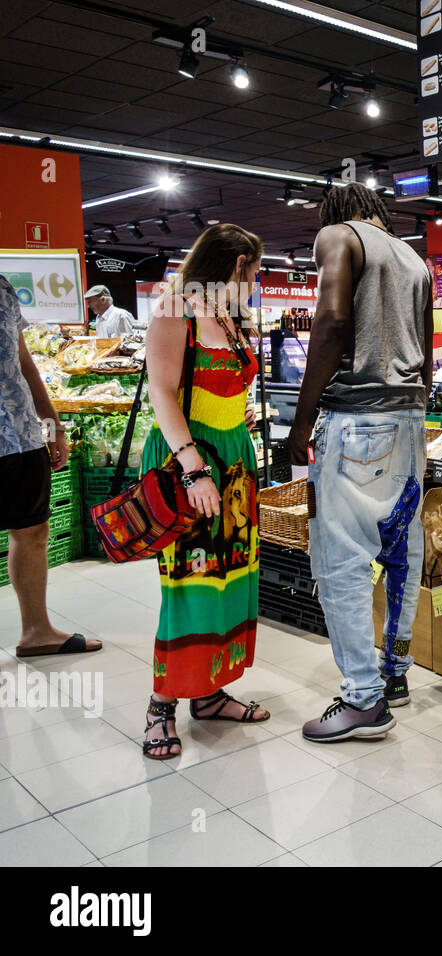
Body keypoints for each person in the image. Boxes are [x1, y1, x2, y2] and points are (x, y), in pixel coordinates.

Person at [288, 183, 433, 743]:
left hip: (354, 423)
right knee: (401, 549)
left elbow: (330, 324)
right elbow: (426, 352)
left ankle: (363, 700)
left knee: (341, 563)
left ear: (333, 214)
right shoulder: (413, 257)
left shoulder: (338, 237)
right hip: (408, 421)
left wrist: (302, 423)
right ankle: (394, 674)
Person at [139, 224, 270, 760]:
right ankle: (160, 706)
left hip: (234, 463)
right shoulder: (176, 308)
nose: (257, 282)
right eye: (256, 272)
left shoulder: (227, 316)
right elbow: (162, 393)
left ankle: (210, 691)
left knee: (231, 580)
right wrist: (194, 469)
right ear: (238, 263)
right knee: (192, 585)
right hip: (190, 463)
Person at [1, 276, 102, 658]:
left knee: (32, 530)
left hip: (20, 432)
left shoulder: (3, 289)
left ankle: (37, 631)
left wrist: (53, 425)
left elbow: (25, 363)